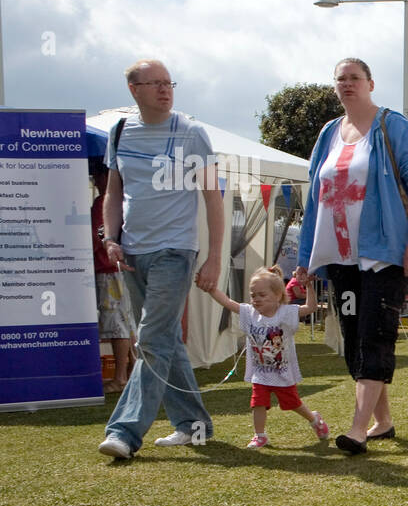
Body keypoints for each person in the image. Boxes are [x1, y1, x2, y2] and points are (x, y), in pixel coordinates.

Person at [293, 58, 408, 455]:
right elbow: (313, 197)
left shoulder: (395, 127)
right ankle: (382, 420)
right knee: (355, 335)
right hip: (341, 256)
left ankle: (358, 429)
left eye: (354, 77)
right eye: (340, 78)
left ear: (371, 83)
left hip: (384, 251)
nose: (347, 84)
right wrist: (306, 256)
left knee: (376, 333)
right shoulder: (327, 133)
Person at [97, 59, 222, 459]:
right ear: (134, 89)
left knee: (149, 338)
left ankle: (124, 433)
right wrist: (110, 238)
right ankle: (194, 426)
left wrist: (214, 257)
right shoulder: (119, 132)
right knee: (164, 339)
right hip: (131, 252)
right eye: (155, 84)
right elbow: (114, 193)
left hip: (175, 250)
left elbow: (213, 198)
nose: (165, 90)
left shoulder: (191, 133)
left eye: (169, 83)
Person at [199, 266, 329, 449]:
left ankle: (314, 419)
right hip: (260, 373)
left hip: (282, 372)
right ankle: (260, 435)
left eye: (262, 295)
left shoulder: (285, 313)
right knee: (257, 403)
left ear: (277, 296)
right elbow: (228, 302)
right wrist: (212, 290)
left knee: (293, 404)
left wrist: (309, 287)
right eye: (253, 295)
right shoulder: (250, 314)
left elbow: (311, 308)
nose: (256, 299)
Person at [90, 160, 135, 393]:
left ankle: (119, 378)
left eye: (98, 175)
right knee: (124, 321)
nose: (95, 180)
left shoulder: (103, 203)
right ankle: (130, 369)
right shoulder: (123, 201)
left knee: (116, 322)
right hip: (119, 268)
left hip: (108, 269)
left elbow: (96, 236)